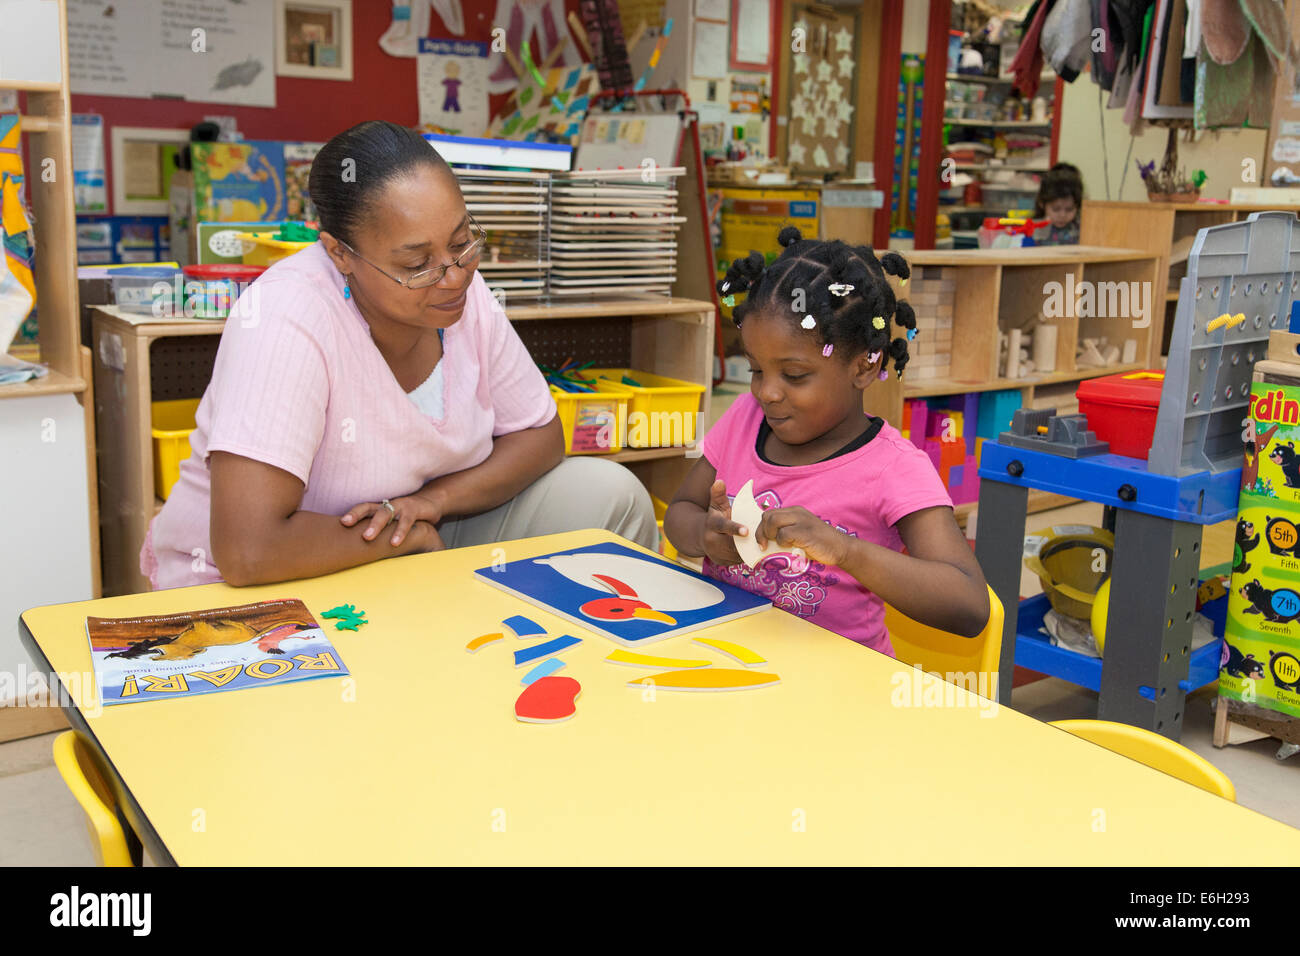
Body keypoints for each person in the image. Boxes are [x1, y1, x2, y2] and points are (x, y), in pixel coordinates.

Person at [142, 120, 655, 590]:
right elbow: (249, 551)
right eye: (418, 262)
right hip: (278, 572)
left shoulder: (458, 291)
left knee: (610, 494)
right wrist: (405, 539)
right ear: (340, 253)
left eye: (462, 242)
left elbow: (541, 437)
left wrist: (430, 505)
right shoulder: (286, 318)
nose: (454, 275)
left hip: (413, 531)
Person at [663, 227, 989, 655]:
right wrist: (707, 538)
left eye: (795, 375)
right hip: (732, 656)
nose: (768, 392)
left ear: (865, 368)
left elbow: (968, 604)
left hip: (837, 688)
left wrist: (844, 550)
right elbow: (679, 513)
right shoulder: (744, 419)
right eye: (757, 369)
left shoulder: (894, 467)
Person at [1032, 162, 1082, 246]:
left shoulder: (1081, 230)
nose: (1062, 215)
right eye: (1056, 209)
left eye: (1069, 209)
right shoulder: (1033, 229)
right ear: (1042, 203)